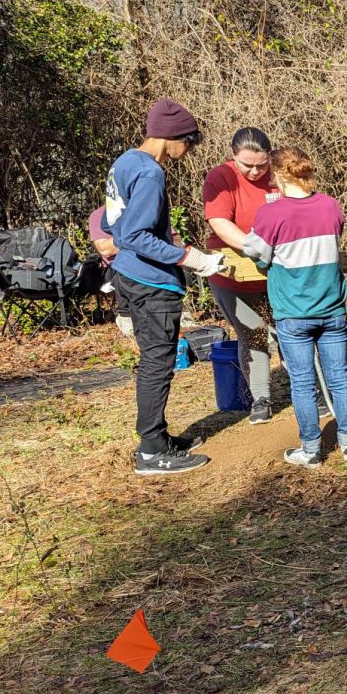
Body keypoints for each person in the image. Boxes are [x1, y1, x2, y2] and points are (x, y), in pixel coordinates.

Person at [104, 98, 228, 476]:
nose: (187, 152)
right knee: (158, 362)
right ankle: (152, 450)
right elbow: (133, 235)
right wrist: (193, 259)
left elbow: (115, 227)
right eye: (188, 143)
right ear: (172, 137)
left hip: (129, 275)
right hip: (149, 281)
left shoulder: (124, 161)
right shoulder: (150, 173)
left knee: (153, 359)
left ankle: (157, 437)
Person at [241, 147, 347, 466]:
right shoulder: (330, 205)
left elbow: (255, 252)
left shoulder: (270, 214)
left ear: (278, 175)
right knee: (340, 377)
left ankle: (311, 450)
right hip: (332, 308)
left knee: (303, 383)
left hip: (293, 313)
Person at [204, 127, 279, 423]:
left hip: (278, 272)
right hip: (235, 274)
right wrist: (253, 246)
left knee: (290, 331)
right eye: (247, 164)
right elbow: (220, 222)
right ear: (234, 156)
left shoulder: (278, 173)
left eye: (261, 164)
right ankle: (260, 398)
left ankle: (308, 390)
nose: (255, 171)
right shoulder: (221, 177)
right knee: (254, 334)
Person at [87, 205, 133, 337]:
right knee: (126, 267)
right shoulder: (100, 215)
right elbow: (105, 249)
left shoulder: (148, 208)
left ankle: (181, 315)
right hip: (115, 266)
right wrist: (137, 237)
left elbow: (173, 240)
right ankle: (127, 318)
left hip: (151, 259)